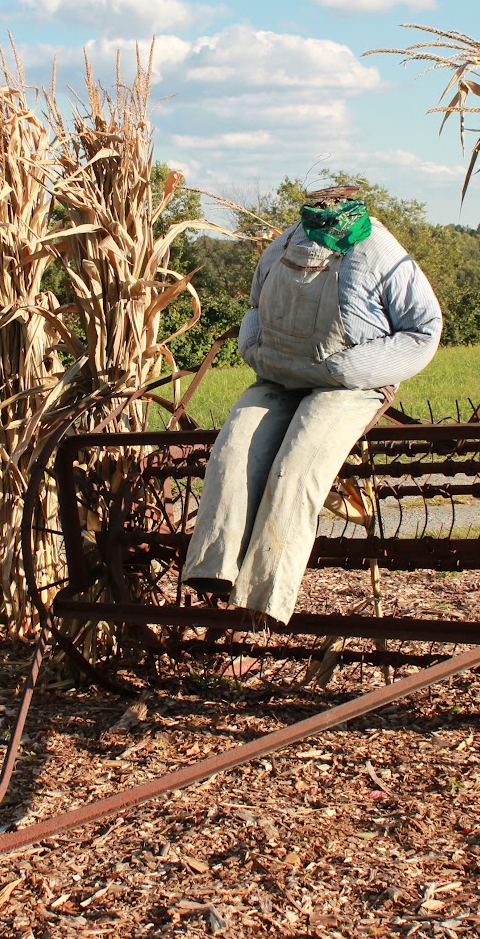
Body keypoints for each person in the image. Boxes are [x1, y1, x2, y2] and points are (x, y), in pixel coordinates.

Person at [183, 185, 443, 625]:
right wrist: (256, 349)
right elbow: (253, 307)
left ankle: (264, 596)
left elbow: (424, 330)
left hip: (350, 386)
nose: (324, 216)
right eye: (318, 209)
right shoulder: (285, 244)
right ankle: (213, 571)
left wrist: (350, 368)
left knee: (296, 468)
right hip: (279, 378)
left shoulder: (379, 251)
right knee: (232, 451)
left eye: (333, 209)